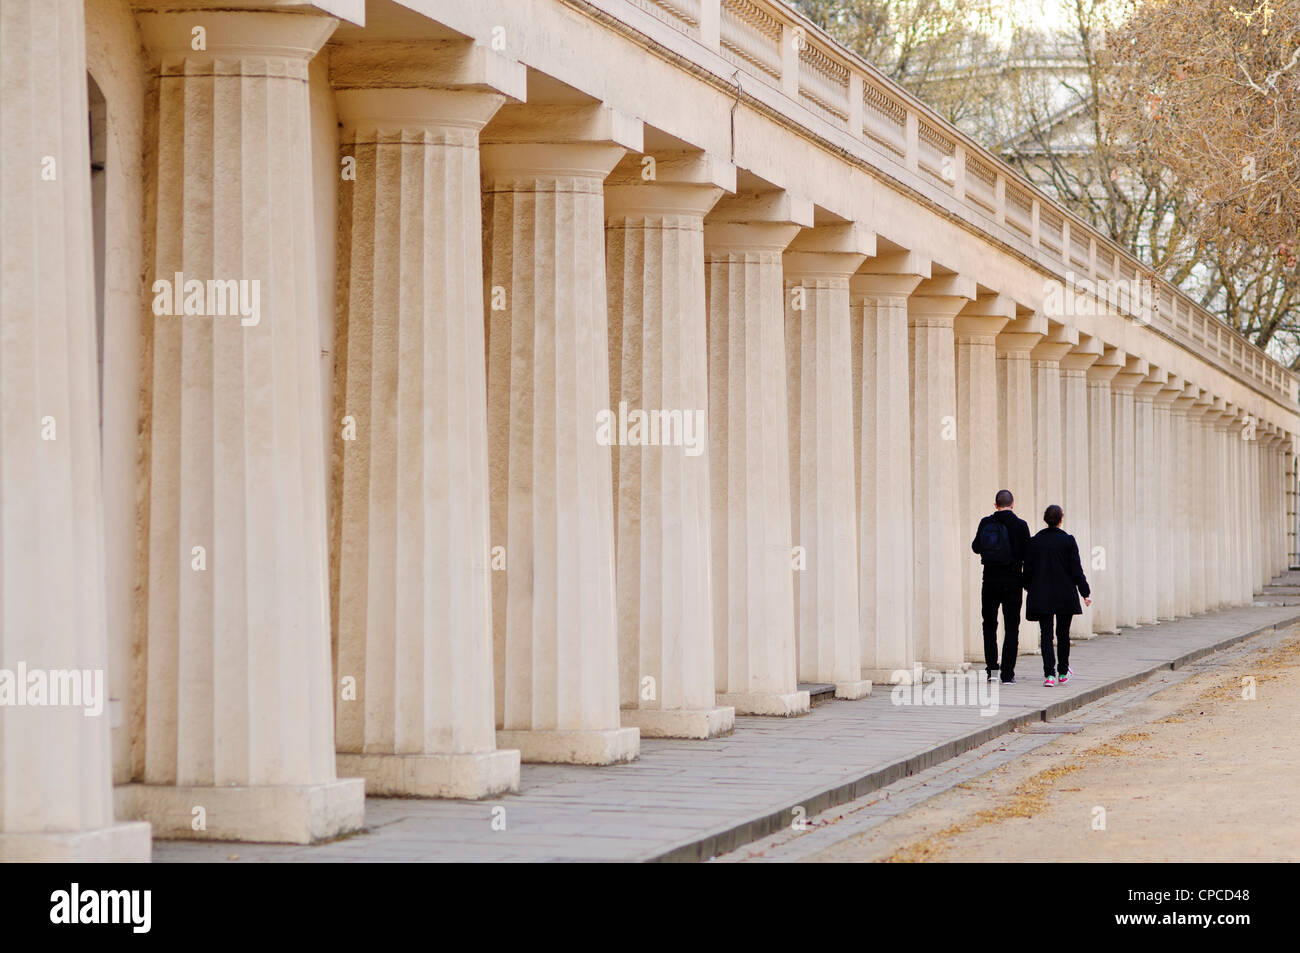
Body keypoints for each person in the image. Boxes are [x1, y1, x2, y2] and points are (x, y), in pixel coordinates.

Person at [1023, 504, 1092, 687]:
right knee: (1063, 634)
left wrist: (1030, 587)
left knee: (1046, 635)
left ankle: (1049, 675)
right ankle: (1063, 671)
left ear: (1046, 519)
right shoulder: (1068, 541)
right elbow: (1076, 569)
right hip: (1064, 594)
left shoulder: (1035, 541)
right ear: (1061, 519)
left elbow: (1027, 570)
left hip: (1042, 594)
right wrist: (1085, 592)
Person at [971, 489, 1031, 684]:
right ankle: (1007, 674)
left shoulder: (986, 523)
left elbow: (976, 547)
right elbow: (1027, 556)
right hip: (1013, 582)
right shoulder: (1021, 526)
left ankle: (992, 671)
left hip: (989, 581)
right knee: (1012, 628)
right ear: (1012, 504)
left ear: (995, 505)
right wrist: (1027, 581)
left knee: (989, 625)